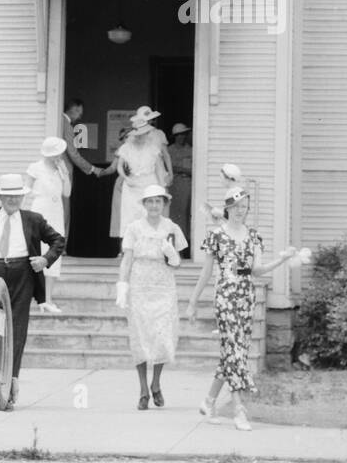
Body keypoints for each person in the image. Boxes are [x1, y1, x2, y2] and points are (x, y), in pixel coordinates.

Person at [187, 185, 295, 431]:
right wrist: (192, 302)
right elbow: (205, 273)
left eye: (244, 207)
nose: (240, 211)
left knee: (235, 353)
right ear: (227, 208)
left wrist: (282, 259)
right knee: (234, 351)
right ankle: (239, 410)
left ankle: (209, 400)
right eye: (235, 207)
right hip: (225, 295)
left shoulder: (253, 236)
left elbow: (257, 270)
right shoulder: (216, 236)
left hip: (246, 296)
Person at [0, 173, 67, 408]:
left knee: (16, 329)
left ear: (22, 197)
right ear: (1, 197)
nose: (12, 200)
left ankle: (11, 382)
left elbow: (58, 240)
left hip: (22, 273)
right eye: (8, 196)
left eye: (16, 196)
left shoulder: (33, 219)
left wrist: (45, 260)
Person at [116, 184, 187, 409]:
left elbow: (177, 263)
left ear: (164, 204)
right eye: (150, 201)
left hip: (163, 284)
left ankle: (156, 383)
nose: (154, 205)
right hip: (140, 283)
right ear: (144, 204)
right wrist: (122, 285)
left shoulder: (172, 228)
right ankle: (143, 389)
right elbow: (127, 258)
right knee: (140, 335)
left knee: (161, 335)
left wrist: (171, 254)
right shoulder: (134, 228)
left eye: (158, 201)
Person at [116, 106, 172, 236]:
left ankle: (148, 245)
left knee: (147, 214)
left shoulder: (153, 148)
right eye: (138, 135)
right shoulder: (126, 147)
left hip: (149, 183)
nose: (141, 137)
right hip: (132, 184)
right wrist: (126, 177)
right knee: (130, 215)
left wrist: (161, 187)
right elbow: (120, 166)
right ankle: (129, 247)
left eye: (144, 134)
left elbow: (159, 168)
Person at [24, 137, 70, 279]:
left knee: (56, 245)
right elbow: (26, 190)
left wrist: (65, 174)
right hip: (40, 208)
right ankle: (38, 293)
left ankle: (48, 296)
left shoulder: (60, 169)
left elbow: (67, 193)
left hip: (56, 209)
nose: (59, 156)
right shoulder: (35, 168)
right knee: (39, 247)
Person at [61, 97, 105, 241]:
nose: (80, 116)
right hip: (64, 173)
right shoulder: (66, 124)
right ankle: (62, 244)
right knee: (64, 210)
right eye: (79, 111)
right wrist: (92, 168)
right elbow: (72, 153)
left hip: (61, 173)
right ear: (73, 109)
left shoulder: (61, 122)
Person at [167, 123, 192, 251]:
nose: (182, 137)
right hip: (173, 186)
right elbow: (168, 168)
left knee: (185, 216)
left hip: (187, 185)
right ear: (175, 136)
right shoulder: (169, 150)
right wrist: (181, 170)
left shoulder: (190, 150)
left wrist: (179, 169)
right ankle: (173, 248)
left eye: (184, 134)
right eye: (179, 135)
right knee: (173, 217)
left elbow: (193, 170)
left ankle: (184, 248)